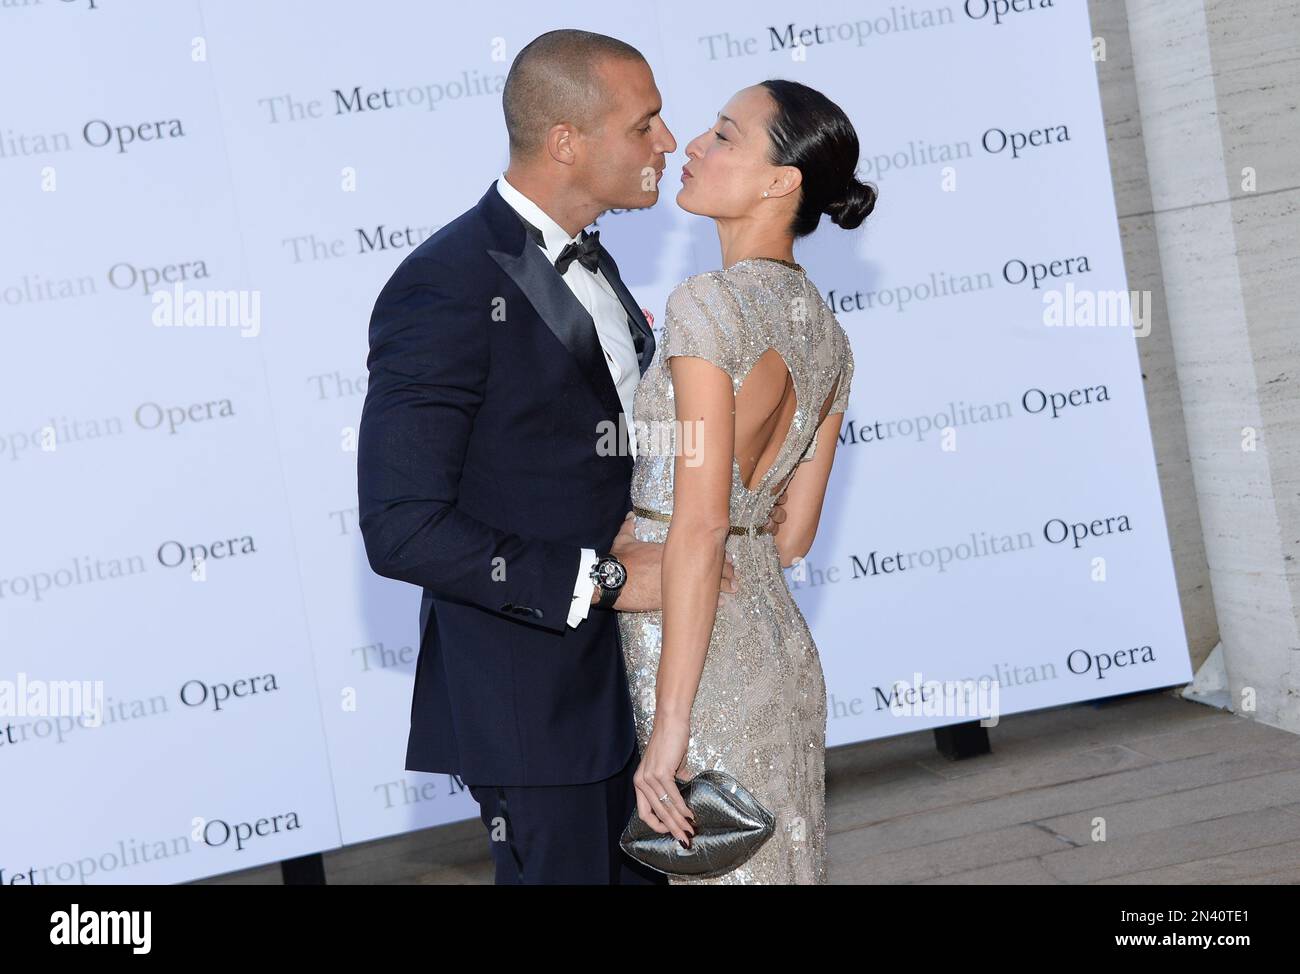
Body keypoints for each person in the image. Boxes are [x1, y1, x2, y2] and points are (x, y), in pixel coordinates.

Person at [356, 29, 780, 885]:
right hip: (534, 706)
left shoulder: (598, 259)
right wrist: (610, 580)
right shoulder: (442, 286)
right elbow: (401, 528)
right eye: (645, 124)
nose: (669, 142)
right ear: (566, 143)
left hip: (638, 689)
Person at [619, 79, 875, 884]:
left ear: (781, 181)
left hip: (700, 660)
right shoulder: (828, 336)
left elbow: (698, 527)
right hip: (776, 643)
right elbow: (791, 534)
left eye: (725, 136)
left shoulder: (708, 308)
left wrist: (670, 732)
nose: (692, 144)